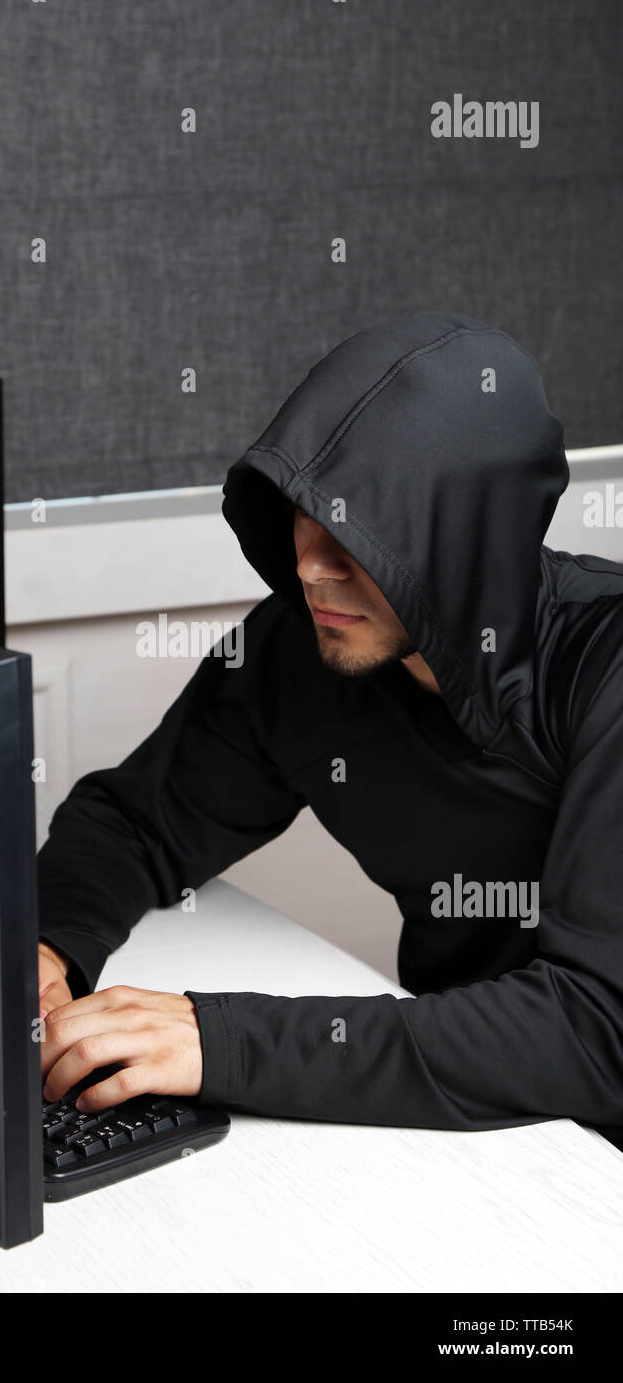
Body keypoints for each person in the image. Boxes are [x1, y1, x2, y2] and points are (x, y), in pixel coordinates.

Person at [36, 310, 623, 1150]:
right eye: (305, 513)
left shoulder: (606, 669)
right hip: (471, 1132)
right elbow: (136, 823)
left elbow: (597, 1031)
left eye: (358, 534)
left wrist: (221, 1040)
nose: (312, 566)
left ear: (466, 540)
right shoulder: (304, 650)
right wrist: (51, 945)